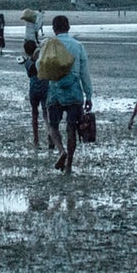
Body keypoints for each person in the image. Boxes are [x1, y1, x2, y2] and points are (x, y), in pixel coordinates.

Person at [43, 15, 92, 173]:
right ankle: (69, 164)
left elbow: (40, 66)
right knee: (72, 128)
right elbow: (85, 73)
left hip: (55, 89)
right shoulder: (78, 46)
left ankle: (61, 150)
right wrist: (88, 94)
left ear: (54, 29)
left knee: (53, 125)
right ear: (69, 27)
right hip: (74, 91)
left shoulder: (48, 44)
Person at [20, 39, 50, 148]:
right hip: (45, 85)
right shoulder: (42, 58)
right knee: (46, 113)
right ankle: (49, 133)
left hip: (34, 88)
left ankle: (36, 139)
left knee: (34, 114)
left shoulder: (28, 63)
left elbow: (29, 74)